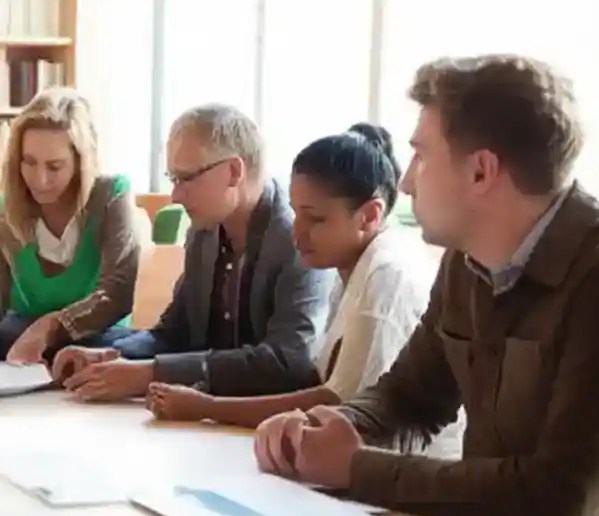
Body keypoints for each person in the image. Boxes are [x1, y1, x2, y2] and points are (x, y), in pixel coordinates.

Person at [254, 55, 599, 516]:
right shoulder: (465, 260)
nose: (405, 182)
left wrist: (357, 467)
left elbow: (561, 497)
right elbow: (409, 398)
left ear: (482, 172)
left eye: (420, 155)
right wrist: (322, 429)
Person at [148, 123, 463, 458]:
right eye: (296, 213)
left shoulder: (386, 276)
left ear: (369, 216)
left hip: (405, 470)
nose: (297, 233)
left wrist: (208, 407)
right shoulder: (347, 265)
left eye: (315, 219)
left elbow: (339, 407)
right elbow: (322, 383)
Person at [52, 104, 335, 402]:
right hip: (202, 418)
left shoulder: (298, 237)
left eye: (186, 178)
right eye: (173, 179)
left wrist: (151, 373)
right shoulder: (204, 230)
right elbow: (175, 333)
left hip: (268, 426)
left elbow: (288, 363)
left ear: (233, 171)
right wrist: (109, 357)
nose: (175, 195)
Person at [0, 87, 141, 363]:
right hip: (20, 339)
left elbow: (116, 295)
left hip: (95, 339)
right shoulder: (0, 215)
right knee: (6, 335)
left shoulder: (111, 196)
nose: (39, 180)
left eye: (54, 166)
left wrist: (49, 327)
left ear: (80, 163)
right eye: (29, 162)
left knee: (130, 347)